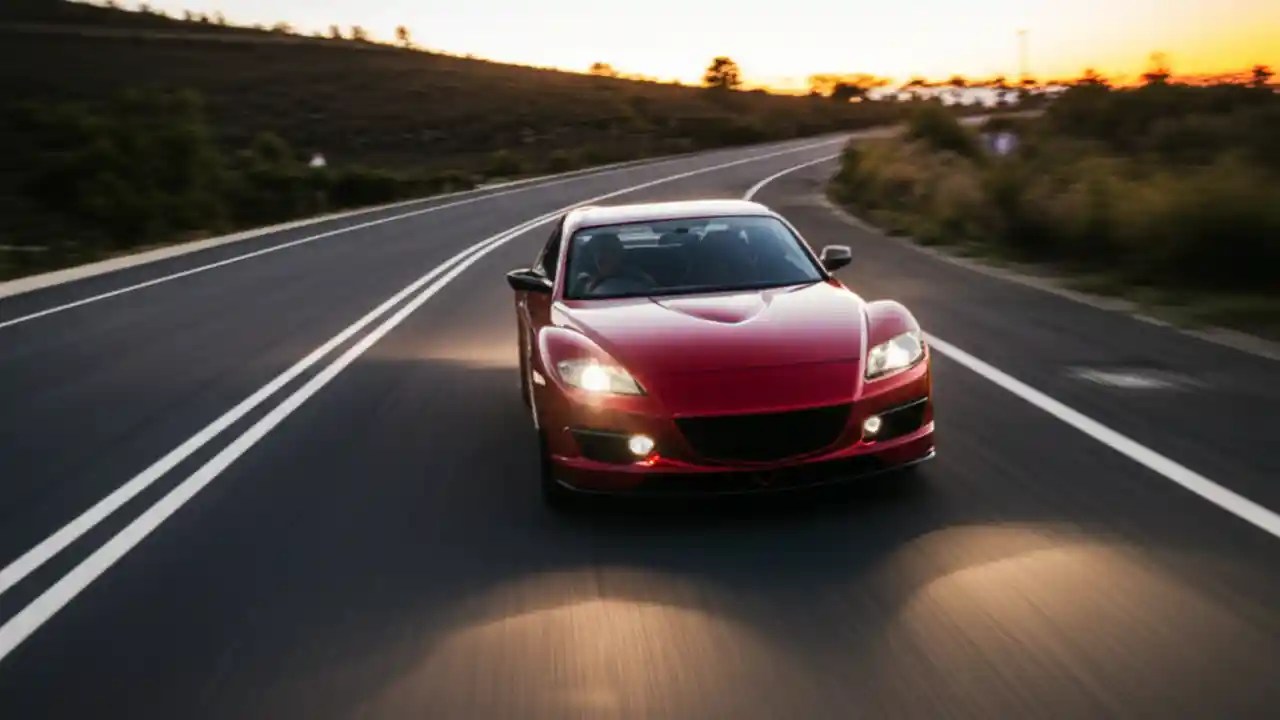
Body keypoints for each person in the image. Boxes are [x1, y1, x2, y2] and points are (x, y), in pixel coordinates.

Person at [570, 233, 655, 297]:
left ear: (621, 254)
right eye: (599, 251)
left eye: (611, 251)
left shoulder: (638, 277)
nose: (605, 255)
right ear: (592, 257)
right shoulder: (580, 283)